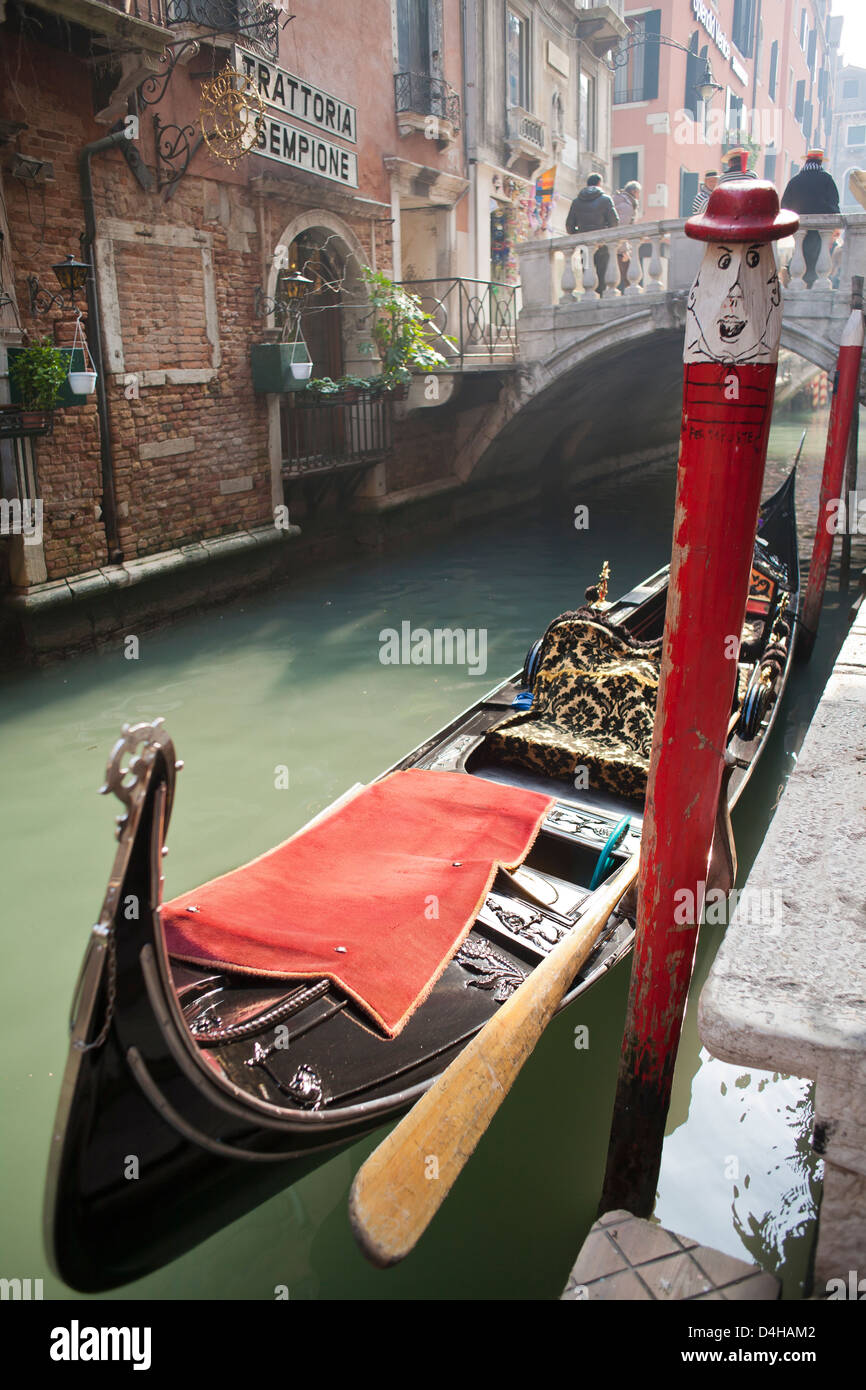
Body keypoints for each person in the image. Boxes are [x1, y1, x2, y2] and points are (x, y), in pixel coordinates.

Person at [781, 149, 840, 287]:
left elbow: (784, 205)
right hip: (820, 231)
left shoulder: (795, 181)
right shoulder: (827, 179)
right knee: (815, 257)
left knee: (802, 253)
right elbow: (834, 204)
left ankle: (793, 275)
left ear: (806, 161)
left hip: (799, 229)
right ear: (820, 162)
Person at [566, 173, 619, 295]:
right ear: (599, 184)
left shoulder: (576, 202)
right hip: (602, 242)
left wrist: (579, 235)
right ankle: (601, 295)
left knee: (587, 270)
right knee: (602, 272)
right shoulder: (606, 200)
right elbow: (614, 222)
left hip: (585, 244)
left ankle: (589, 295)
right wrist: (605, 234)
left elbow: (569, 226)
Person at [613, 180, 641, 289]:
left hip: (611, 246)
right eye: (639, 193)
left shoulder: (616, 198)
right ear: (634, 192)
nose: (639, 196)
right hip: (618, 248)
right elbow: (622, 230)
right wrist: (624, 250)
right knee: (628, 278)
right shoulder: (627, 206)